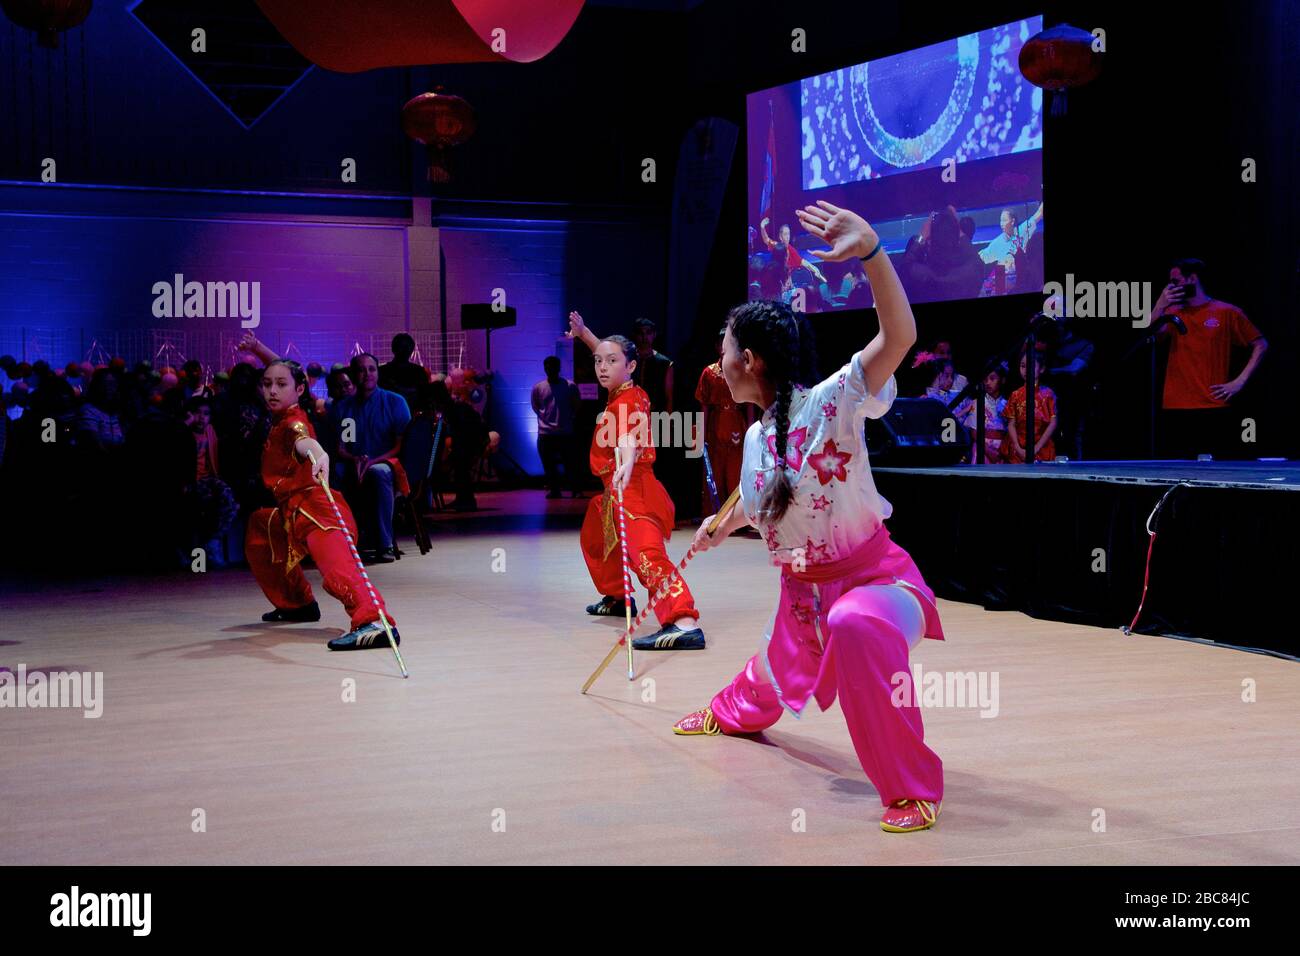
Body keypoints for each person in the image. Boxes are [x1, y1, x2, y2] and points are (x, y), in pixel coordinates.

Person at [672, 200, 947, 834]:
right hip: (803, 599)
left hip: (877, 585)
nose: (717, 363)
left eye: (725, 350)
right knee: (768, 678)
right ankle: (726, 708)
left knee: (853, 624)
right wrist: (722, 521)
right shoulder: (757, 438)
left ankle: (911, 788)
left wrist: (875, 254)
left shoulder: (834, 401)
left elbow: (899, 337)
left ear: (754, 362)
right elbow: (764, 500)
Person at [568, 310, 705, 650]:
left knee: (647, 558)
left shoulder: (626, 401)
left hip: (633, 490)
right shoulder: (628, 390)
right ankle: (619, 596)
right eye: (598, 360)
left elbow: (627, 435)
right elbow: (608, 350)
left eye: (611, 361)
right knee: (598, 537)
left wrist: (627, 462)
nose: (602, 366)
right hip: (614, 491)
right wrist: (586, 333)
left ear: (629, 366)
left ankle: (683, 621)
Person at [244, 360, 401, 652]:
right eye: (267, 384)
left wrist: (320, 456)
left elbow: (305, 442)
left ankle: (374, 621)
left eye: (281, 385)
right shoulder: (281, 417)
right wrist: (256, 349)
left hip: (316, 510)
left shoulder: (294, 423)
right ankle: (297, 603)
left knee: (339, 569)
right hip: (291, 510)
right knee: (260, 528)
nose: (272, 391)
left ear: (299, 388)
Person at [1152, 258, 1267, 459]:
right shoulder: (1172, 313)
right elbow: (1148, 332)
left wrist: (1239, 382)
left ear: (1192, 278)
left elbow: (1261, 344)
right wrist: (1160, 304)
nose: (1172, 287)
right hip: (1176, 405)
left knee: (1214, 468)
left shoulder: (1226, 312)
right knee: (1175, 468)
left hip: (1212, 404)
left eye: (1175, 281)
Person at [334, 353, 412, 562]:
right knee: (337, 473)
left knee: (378, 472)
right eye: (361, 369)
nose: (367, 374)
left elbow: (400, 446)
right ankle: (349, 541)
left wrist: (373, 461)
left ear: (378, 373)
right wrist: (355, 459)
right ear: (353, 374)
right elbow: (343, 446)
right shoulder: (345, 407)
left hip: (388, 463)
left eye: (372, 369)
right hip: (357, 463)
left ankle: (384, 543)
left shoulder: (395, 402)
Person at [695, 329, 747, 512]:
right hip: (715, 424)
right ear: (717, 346)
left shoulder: (742, 370)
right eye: (721, 343)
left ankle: (739, 515)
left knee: (735, 470)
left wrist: (749, 428)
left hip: (736, 424)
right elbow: (704, 404)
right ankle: (715, 513)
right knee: (714, 470)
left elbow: (749, 403)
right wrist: (701, 433)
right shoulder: (709, 372)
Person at [531, 355, 583, 498]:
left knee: (570, 463)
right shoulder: (539, 387)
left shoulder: (569, 385)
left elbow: (576, 405)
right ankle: (555, 489)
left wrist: (567, 419)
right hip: (546, 433)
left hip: (565, 431)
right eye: (547, 367)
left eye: (553, 367)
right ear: (545, 368)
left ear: (558, 368)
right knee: (549, 465)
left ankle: (575, 489)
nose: (550, 369)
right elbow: (536, 406)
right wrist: (546, 421)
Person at [1004, 347, 1057, 463]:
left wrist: (1036, 448)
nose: (1026, 370)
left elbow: (1053, 423)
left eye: (1030, 366)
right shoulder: (1015, 394)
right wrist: (1018, 447)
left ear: (1042, 369)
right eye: (1023, 366)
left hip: (1041, 446)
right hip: (1019, 448)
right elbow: (1011, 424)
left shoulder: (1048, 394)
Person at [378, 333, 429, 412]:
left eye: (406, 347)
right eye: (403, 347)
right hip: (412, 418)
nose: (404, 350)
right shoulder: (419, 372)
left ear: (392, 349)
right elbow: (425, 400)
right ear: (412, 350)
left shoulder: (381, 371)